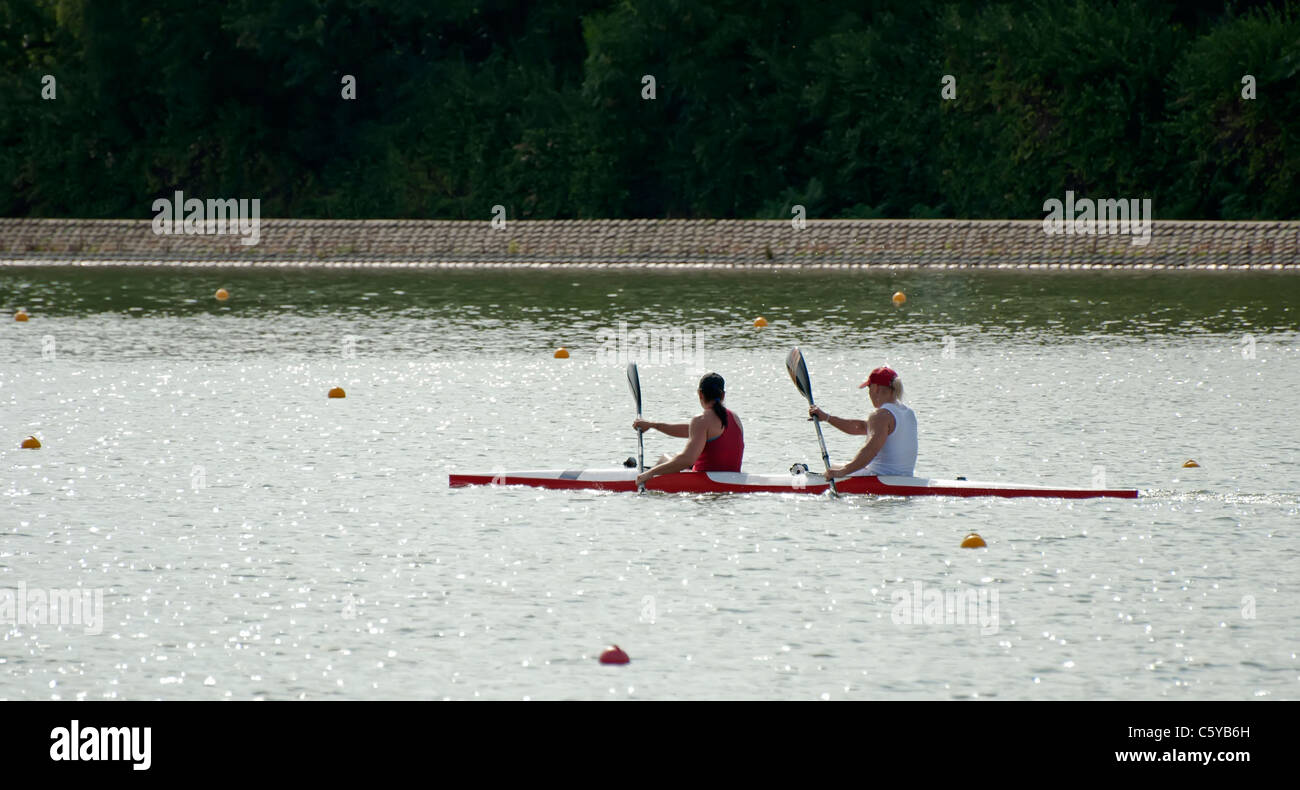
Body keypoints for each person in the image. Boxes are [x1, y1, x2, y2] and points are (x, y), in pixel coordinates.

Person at [632, 372, 744, 486]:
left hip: (705, 482)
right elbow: (689, 430)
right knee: (676, 458)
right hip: (733, 480)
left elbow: (687, 460)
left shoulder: (702, 420)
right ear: (723, 395)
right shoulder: (735, 418)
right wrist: (653, 425)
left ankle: (648, 479)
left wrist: (650, 473)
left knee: (666, 458)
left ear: (700, 394)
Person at [809, 366, 917, 479]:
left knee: (835, 469)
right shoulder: (908, 413)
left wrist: (843, 472)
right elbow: (860, 427)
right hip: (906, 478)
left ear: (875, 388)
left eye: (868, 388)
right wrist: (827, 418)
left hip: (880, 477)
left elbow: (870, 450)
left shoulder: (881, 415)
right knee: (836, 466)